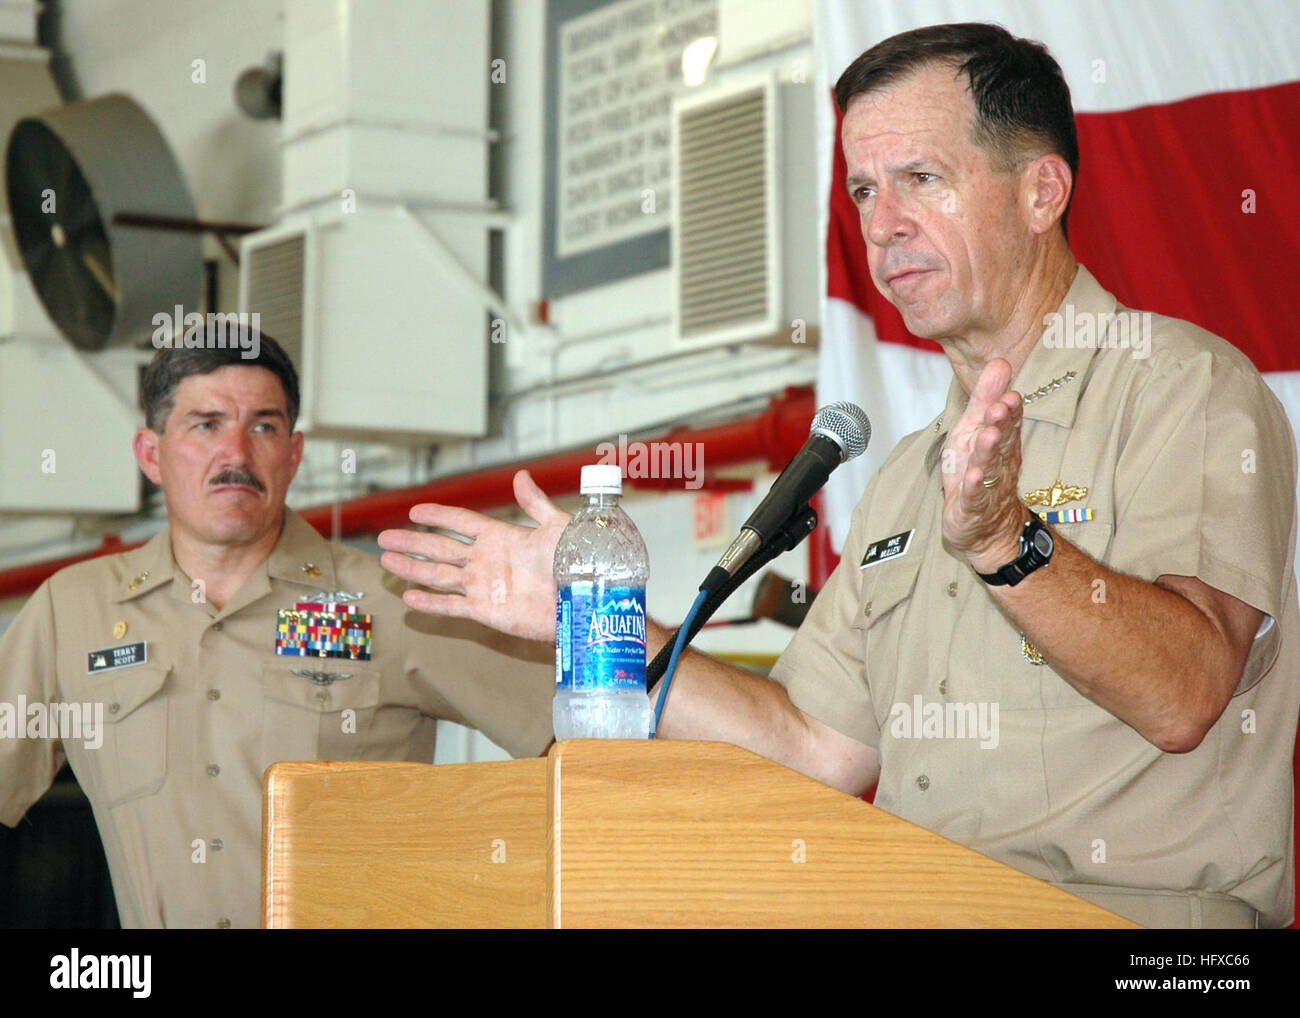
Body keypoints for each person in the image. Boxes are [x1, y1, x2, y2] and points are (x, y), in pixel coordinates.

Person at [378, 22, 1299, 929]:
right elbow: (811, 746)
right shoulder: (906, 474)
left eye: (921, 180)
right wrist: (595, 624)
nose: (881, 224)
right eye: (862, 189)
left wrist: (1004, 544)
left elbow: (1186, 693)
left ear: (1041, 193)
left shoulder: (1186, 390)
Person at [0, 328, 555, 928]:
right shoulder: (72, 614)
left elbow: (592, 732)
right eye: (206, 424)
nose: (235, 454)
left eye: (262, 426)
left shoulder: (396, 600)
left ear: (293, 455)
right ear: (150, 454)